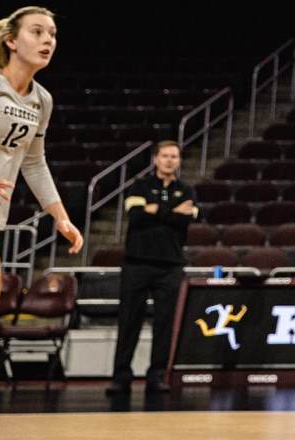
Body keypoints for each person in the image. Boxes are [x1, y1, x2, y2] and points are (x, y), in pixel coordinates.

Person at [0, 6, 85, 392]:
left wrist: (60, 216)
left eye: (52, 34)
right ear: (11, 41)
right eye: (37, 32)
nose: (48, 40)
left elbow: (34, 163)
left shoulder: (42, 101)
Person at [110, 138, 194, 397]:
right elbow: (135, 216)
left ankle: (157, 375)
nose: (170, 160)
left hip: (170, 266)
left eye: (175, 157)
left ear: (179, 161)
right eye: (166, 156)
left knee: (165, 324)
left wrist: (155, 209)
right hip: (137, 264)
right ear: (156, 159)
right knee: (129, 321)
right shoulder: (139, 185)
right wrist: (171, 212)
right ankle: (121, 377)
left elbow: (186, 220)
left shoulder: (186, 190)